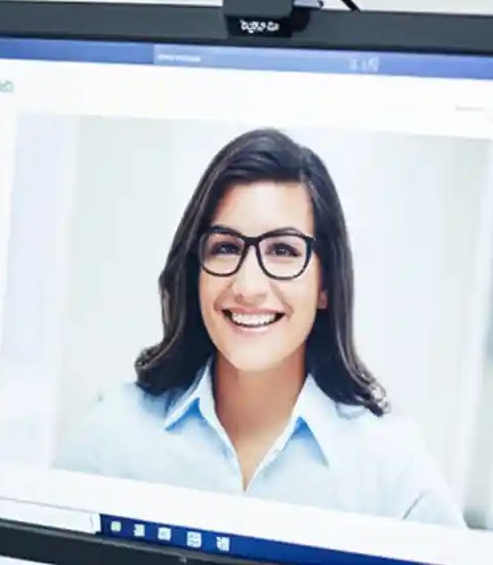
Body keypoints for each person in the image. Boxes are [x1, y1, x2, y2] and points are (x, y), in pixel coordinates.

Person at [53, 128, 465, 528]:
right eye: (226, 248)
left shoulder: (392, 471)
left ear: (326, 285)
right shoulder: (112, 437)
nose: (248, 286)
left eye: (283, 250)